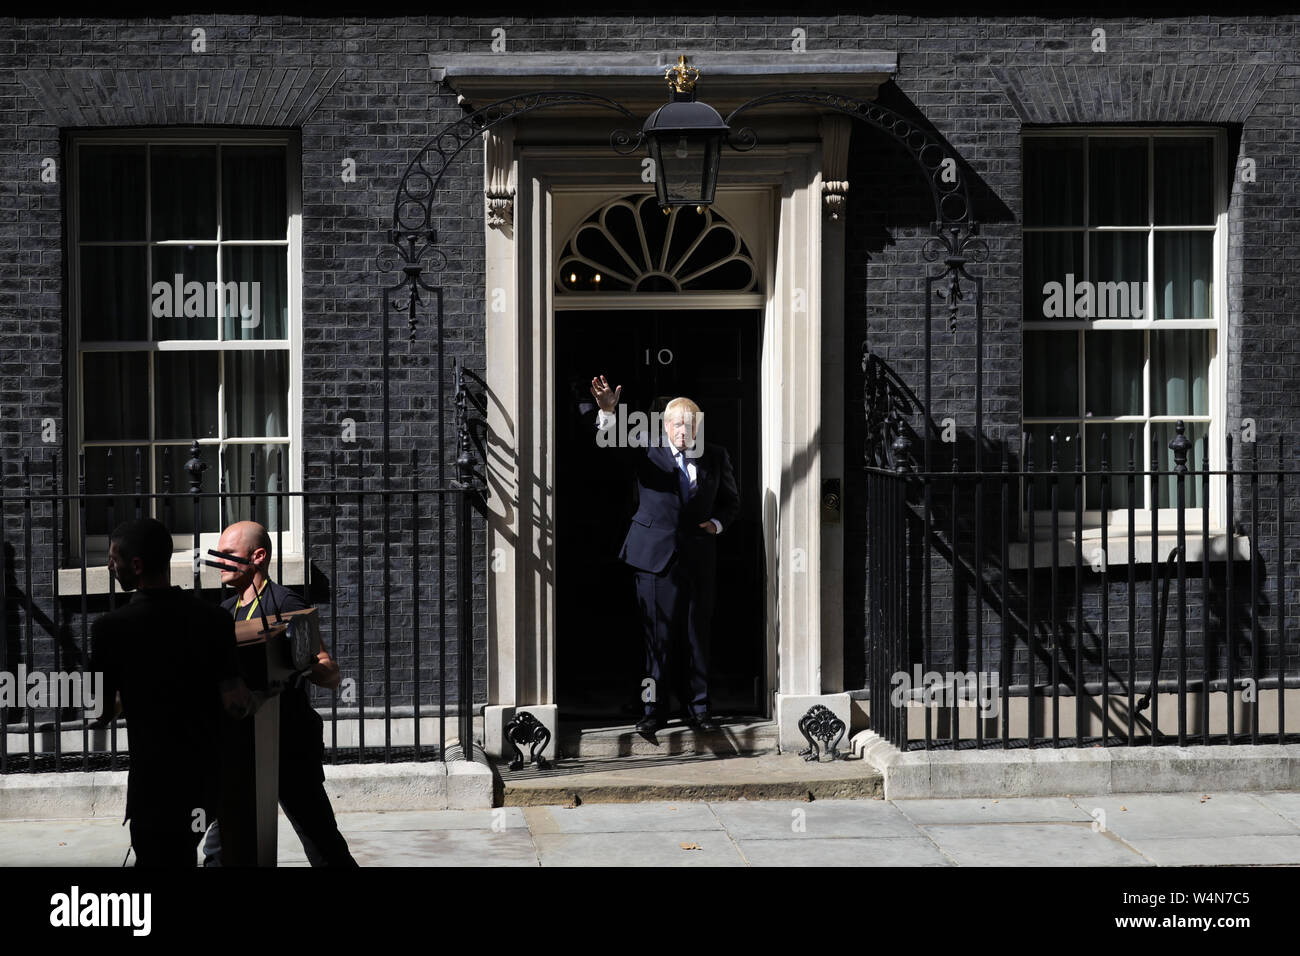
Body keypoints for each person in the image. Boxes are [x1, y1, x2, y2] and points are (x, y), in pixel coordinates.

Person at [90, 518, 252, 867]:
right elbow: (236, 703)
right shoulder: (214, 620)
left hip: (155, 783)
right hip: (203, 778)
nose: (109, 565)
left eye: (113, 558)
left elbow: (102, 710)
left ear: (136, 565)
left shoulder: (110, 629)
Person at [201, 520, 357, 868]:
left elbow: (330, 673)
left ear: (258, 556)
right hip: (241, 747)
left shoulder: (287, 602)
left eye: (228, 554)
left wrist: (298, 660)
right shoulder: (224, 613)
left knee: (320, 840)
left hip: (288, 745)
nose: (219, 562)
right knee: (219, 848)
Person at [590, 375, 740, 735]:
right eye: (677, 425)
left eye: (690, 426)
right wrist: (608, 413)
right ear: (665, 426)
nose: (684, 432)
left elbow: (731, 502)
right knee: (657, 639)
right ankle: (652, 712)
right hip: (654, 559)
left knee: (696, 635)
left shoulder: (715, 456)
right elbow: (609, 447)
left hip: (698, 559)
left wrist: (717, 524)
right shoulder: (647, 451)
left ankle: (699, 710)